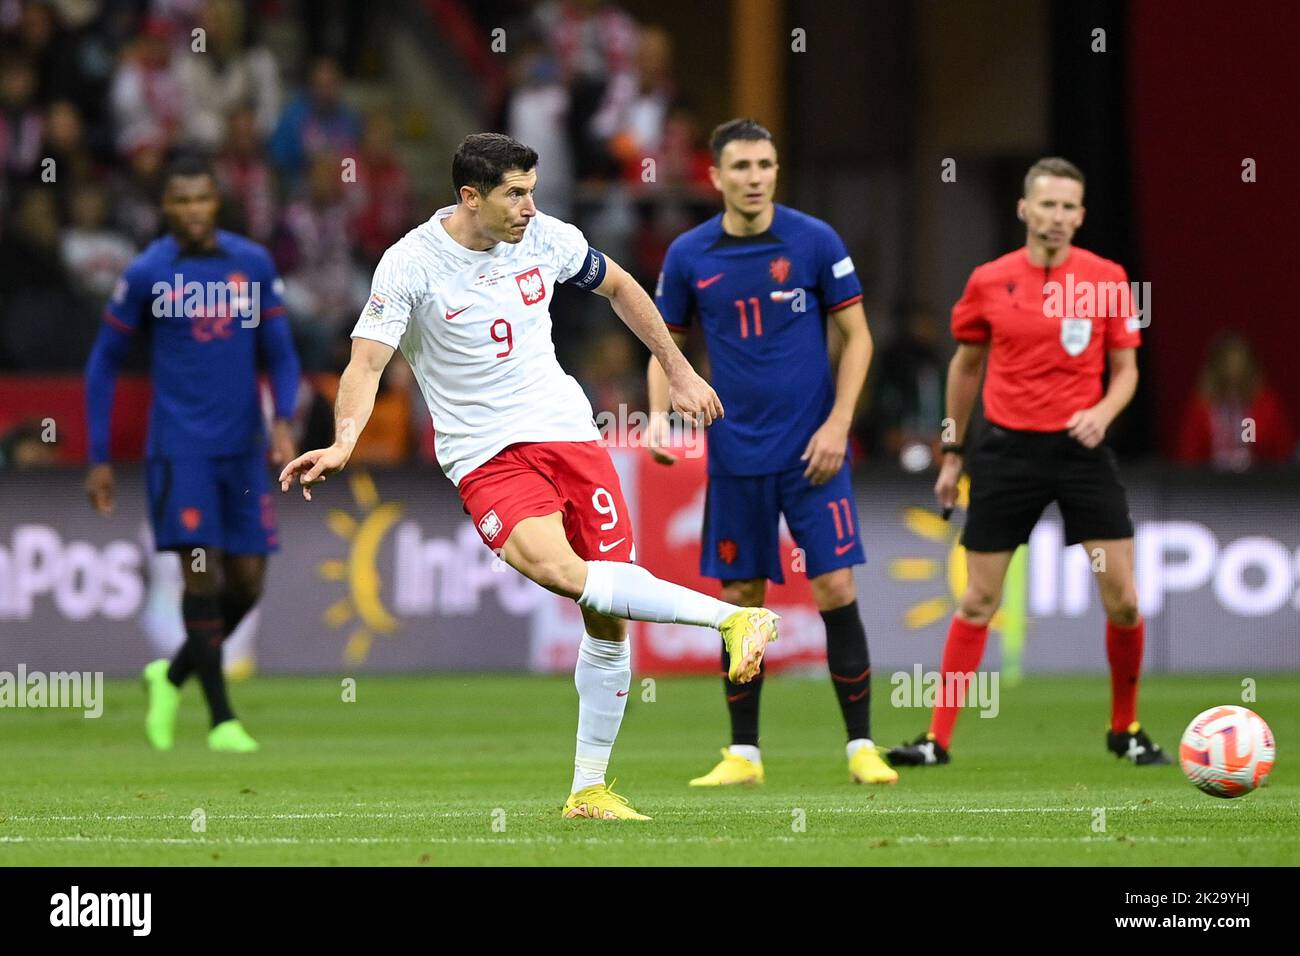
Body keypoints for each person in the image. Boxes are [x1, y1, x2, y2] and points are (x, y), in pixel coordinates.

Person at [278, 133, 780, 821]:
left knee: (607, 616)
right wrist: (342, 442)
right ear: (470, 197)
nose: (527, 206)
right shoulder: (412, 264)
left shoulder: (544, 238)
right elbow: (365, 364)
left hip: (571, 435)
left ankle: (589, 790)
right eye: (514, 193)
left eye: (531, 190)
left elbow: (624, 288)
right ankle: (730, 619)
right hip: (486, 453)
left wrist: (681, 368)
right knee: (564, 572)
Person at [887, 157, 1170, 768]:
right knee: (978, 601)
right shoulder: (990, 280)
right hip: (1006, 453)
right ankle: (937, 741)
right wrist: (952, 452)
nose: (1058, 217)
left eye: (1070, 207)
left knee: (1123, 598)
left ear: (1082, 215)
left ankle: (1126, 728)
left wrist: (1103, 412)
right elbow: (965, 368)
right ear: (1024, 209)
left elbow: (1127, 373)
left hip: (1081, 452)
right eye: (1047, 205)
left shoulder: (1107, 278)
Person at [647, 118, 896, 787]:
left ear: (775, 170)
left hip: (814, 450)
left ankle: (862, 748)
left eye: (766, 164)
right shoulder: (689, 255)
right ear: (716, 175)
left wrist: (840, 424)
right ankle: (744, 755)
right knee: (740, 597)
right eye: (742, 167)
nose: (755, 177)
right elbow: (664, 345)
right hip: (735, 454)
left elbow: (860, 338)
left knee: (836, 585)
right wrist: (656, 418)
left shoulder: (814, 241)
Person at [84, 154, 301, 754]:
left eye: (202, 198)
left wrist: (282, 418)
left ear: (216, 201)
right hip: (181, 452)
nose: (193, 210)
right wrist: (99, 456)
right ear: (165, 207)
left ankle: (170, 675)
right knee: (201, 573)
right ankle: (222, 719)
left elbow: (279, 352)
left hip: (245, 449)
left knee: (249, 582)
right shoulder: (148, 273)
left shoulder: (251, 264)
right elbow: (103, 361)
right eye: (180, 201)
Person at [1175, 333, 1295, 469]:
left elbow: (1283, 454)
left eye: (1239, 364)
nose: (1234, 371)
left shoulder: (1266, 405)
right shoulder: (1202, 406)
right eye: (1228, 363)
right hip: (1210, 484)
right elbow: (1189, 457)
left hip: (1259, 482)